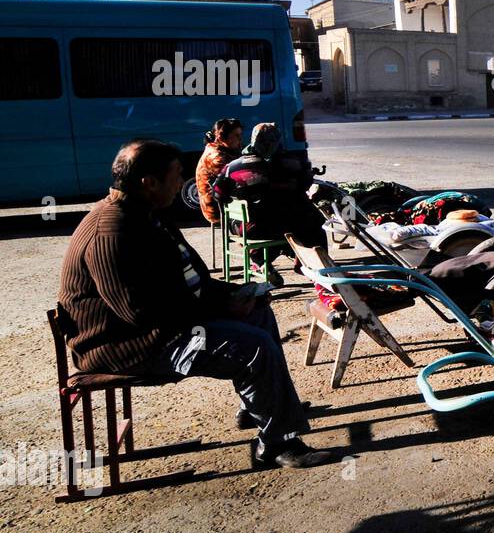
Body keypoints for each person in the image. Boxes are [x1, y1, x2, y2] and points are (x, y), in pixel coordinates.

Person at [57, 139, 331, 469]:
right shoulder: (112, 230)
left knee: (259, 315)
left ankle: (259, 407)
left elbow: (190, 279)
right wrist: (220, 309)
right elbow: (139, 312)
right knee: (253, 346)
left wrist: (233, 294)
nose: (182, 181)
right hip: (126, 345)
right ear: (149, 182)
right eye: (176, 175)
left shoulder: (147, 215)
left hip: (157, 328)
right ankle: (276, 443)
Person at [215, 122, 327, 284]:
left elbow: (217, 194)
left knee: (280, 223)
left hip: (247, 228)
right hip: (285, 224)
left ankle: (259, 260)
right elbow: (305, 185)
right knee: (313, 222)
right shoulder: (293, 163)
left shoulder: (232, 167)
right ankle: (310, 265)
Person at [195, 118, 243, 226]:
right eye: (236, 135)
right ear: (222, 137)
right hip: (217, 210)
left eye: (240, 135)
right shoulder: (216, 157)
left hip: (223, 203)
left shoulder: (223, 150)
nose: (240, 139)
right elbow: (236, 180)